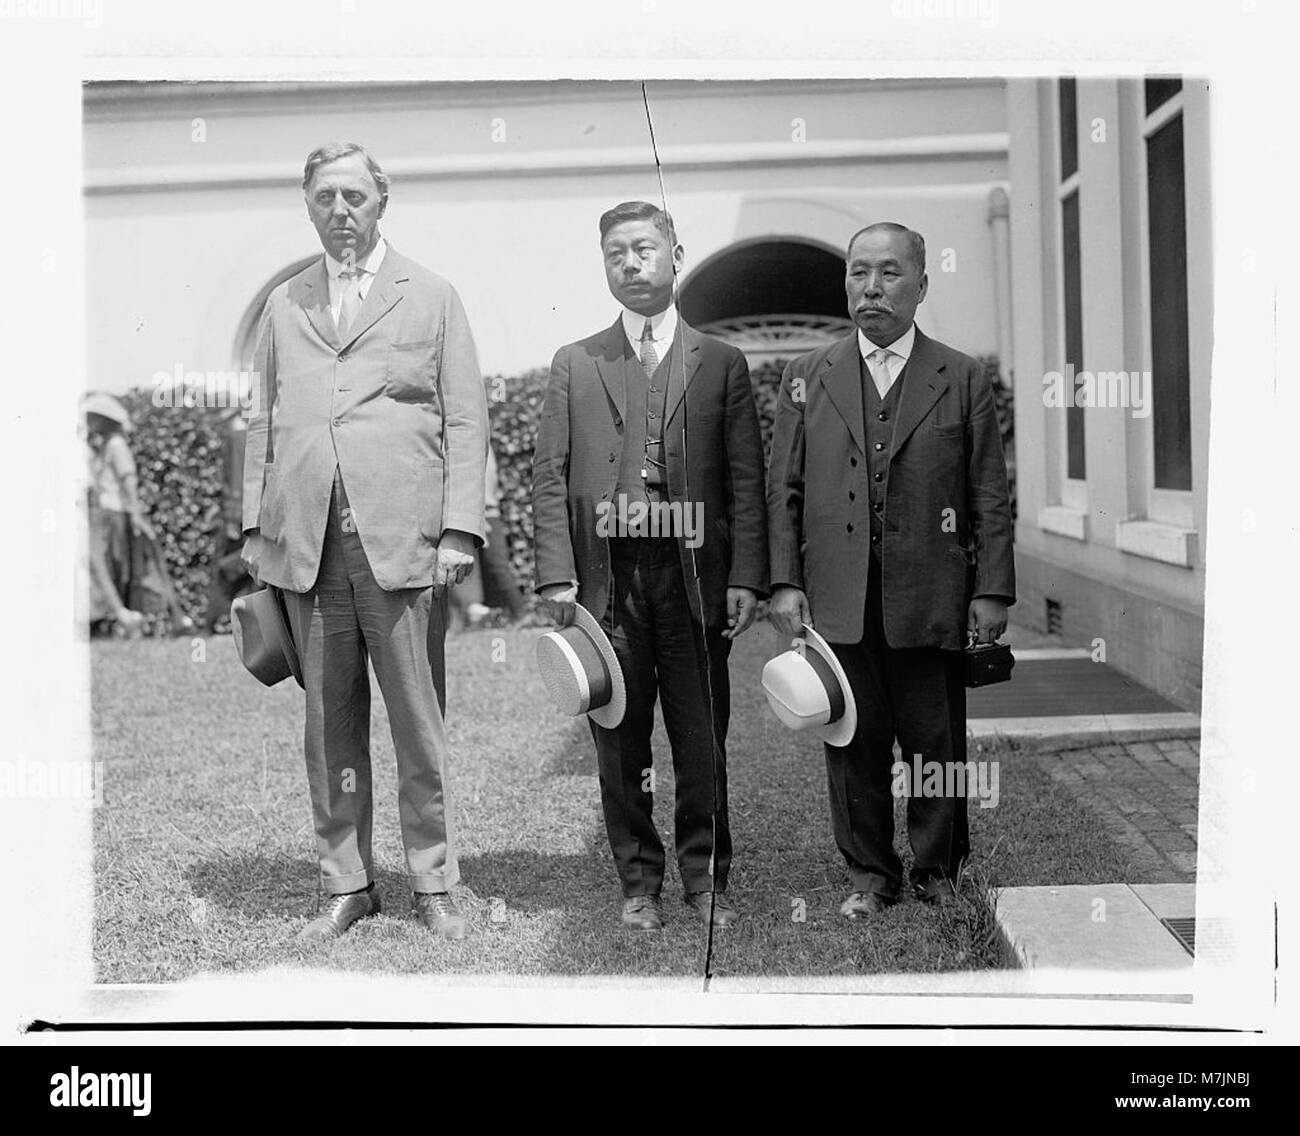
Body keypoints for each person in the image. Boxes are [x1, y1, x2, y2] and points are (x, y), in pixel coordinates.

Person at [241, 142, 489, 943]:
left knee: (418, 720)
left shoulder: (434, 295)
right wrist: (254, 526)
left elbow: (464, 418)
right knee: (328, 729)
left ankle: (434, 881)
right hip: (307, 548)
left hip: (403, 543)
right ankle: (348, 883)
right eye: (324, 198)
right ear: (307, 206)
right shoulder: (285, 302)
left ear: (382, 199)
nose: (339, 211)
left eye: (353, 195)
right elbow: (263, 420)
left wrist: (458, 529)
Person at [766, 222, 1015, 917]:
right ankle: (871, 878)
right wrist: (785, 581)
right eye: (858, 273)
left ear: (921, 285)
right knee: (852, 741)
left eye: (889, 273)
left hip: (931, 595)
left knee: (935, 742)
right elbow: (780, 488)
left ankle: (938, 871)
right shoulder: (806, 377)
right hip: (838, 601)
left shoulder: (961, 376)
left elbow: (988, 492)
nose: (871, 288)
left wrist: (991, 589)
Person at [532, 201, 768, 931]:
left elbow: (746, 480)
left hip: (695, 578)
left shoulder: (721, 361)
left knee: (702, 738)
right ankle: (639, 881)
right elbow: (548, 474)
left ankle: (707, 882)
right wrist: (556, 576)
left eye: (642, 248)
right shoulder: (577, 362)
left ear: (675, 253)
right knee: (620, 736)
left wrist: (746, 577)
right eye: (615, 253)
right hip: (609, 583)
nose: (630, 263)